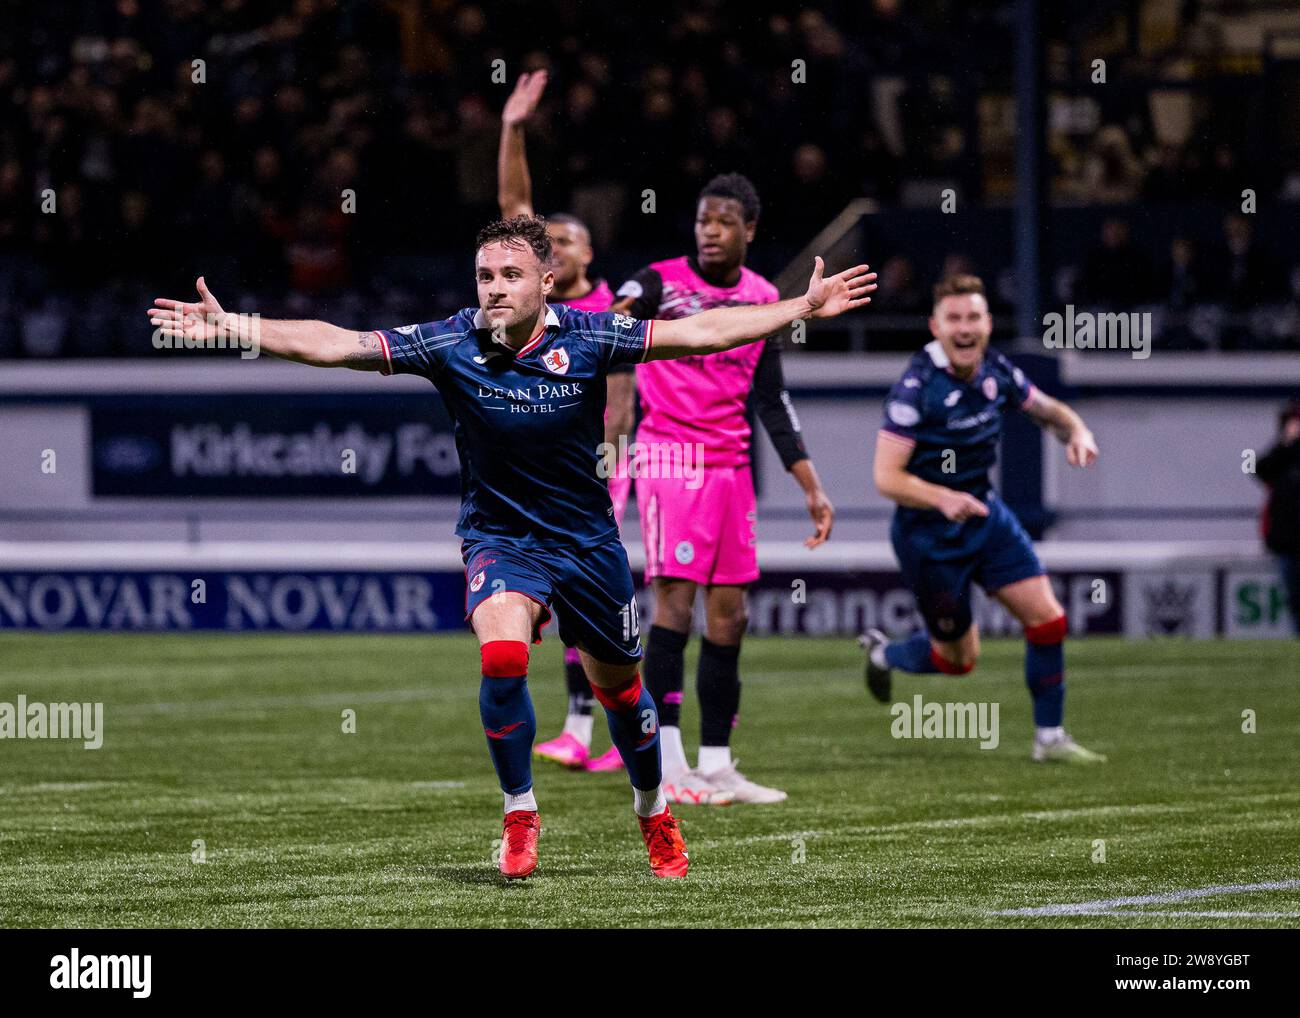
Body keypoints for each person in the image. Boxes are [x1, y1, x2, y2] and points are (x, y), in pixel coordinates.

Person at [149, 215, 875, 879]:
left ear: (546, 282)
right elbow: (336, 344)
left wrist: (801, 308)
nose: (494, 290)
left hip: (587, 544)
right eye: (485, 276)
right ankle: (519, 810)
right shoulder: (450, 340)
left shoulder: (591, 336)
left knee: (622, 696)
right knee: (503, 655)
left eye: (510, 276)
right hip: (500, 538)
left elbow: (704, 333)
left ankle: (653, 809)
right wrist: (234, 326)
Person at [611, 173, 836, 805]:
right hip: (670, 457)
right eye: (702, 220)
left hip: (731, 467)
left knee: (730, 614)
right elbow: (604, 329)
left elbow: (772, 402)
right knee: (674, 603)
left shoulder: (765, 297)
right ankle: (668, 760)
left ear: (749, 231)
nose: (709, 231)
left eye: (723, 222)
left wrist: (812, 488)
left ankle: (716, 764)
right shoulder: (656, 283)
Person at [860, 273, 1107, 764]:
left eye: (974, 317)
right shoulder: (916, 389)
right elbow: (886, 478)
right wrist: (939, 497)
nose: (965, 327)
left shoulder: (997, 370)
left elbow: (1049, 409)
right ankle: (882, 654)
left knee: (1048, 620)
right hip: (928, 536)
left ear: (989, 323)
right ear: (935, 326)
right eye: (954, 318)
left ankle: (1050, 738)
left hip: (984, 515)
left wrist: (1077, 431)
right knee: (959, 661)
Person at [497, 69, 628, 773]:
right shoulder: (529, 304)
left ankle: (606, 728)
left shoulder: (606, 311)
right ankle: (581, 726)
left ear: (585, 255)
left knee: (601, 607)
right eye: (551, 239)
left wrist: (611, 459)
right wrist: (513, 127)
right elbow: (515, 203)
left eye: (568, 239)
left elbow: (626, 394)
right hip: (545, 472)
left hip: (605, 463)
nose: (556, 244)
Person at [1256, 401, 1300, 635]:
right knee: (1294, 600)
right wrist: (1286, 444)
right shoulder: (1282, 456)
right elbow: (1260, 469)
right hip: (1287, 544)